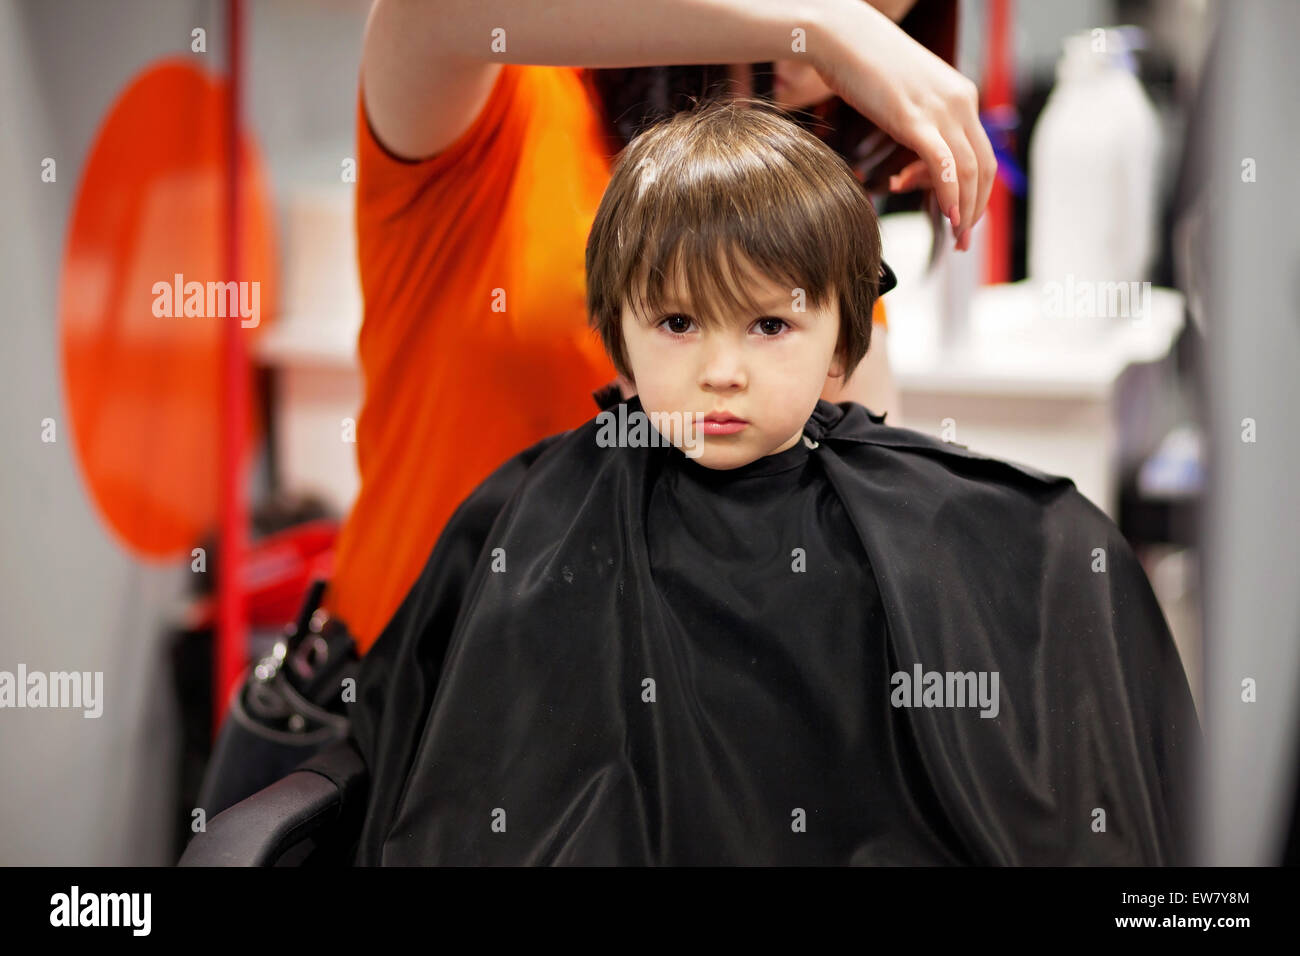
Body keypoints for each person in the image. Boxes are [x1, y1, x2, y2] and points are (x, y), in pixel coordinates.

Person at [342, 99, 1199, 865]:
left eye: (769, 324)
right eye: (677, 322)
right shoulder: (530, 520)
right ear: (620, 336)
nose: (722, 371)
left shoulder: (1002, 532)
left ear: (840, 341)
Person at [324, 0, 996, 656]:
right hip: (405, 694)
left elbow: (847, 514)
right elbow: (427, 13)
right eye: (676, 321)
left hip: (623, 730)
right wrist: (821, 24)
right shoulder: (510, 94)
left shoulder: (807, 209)